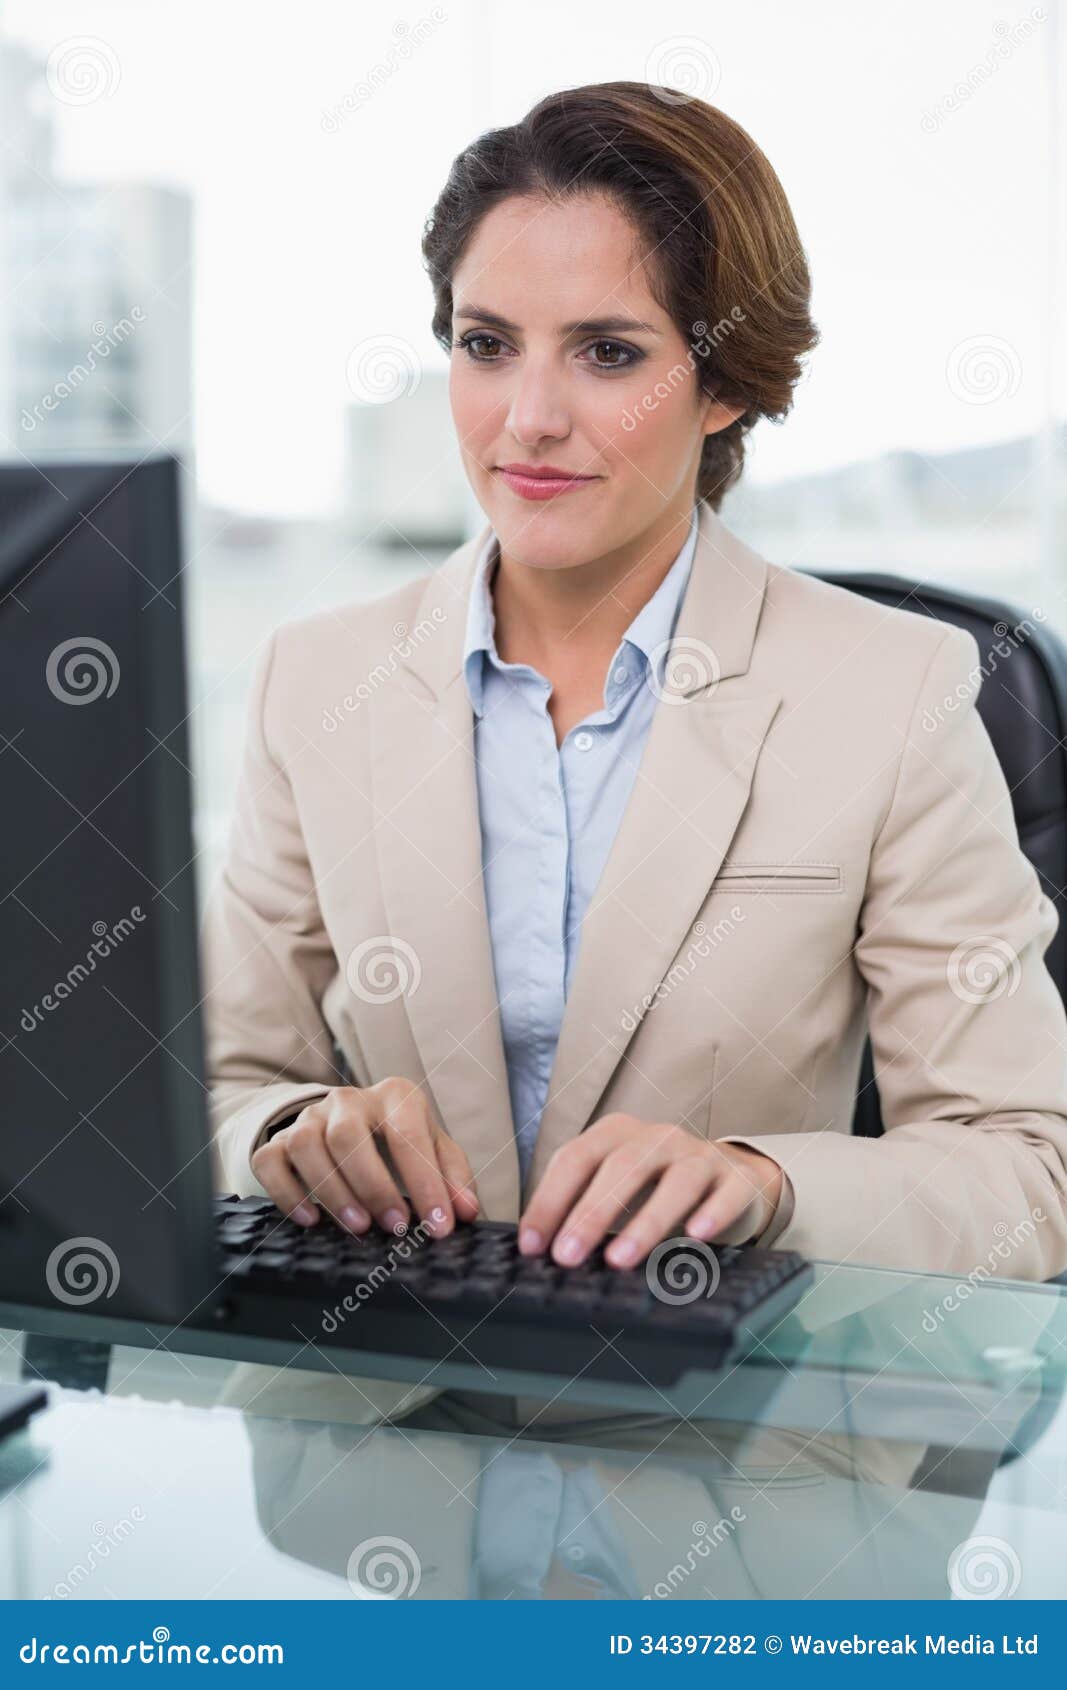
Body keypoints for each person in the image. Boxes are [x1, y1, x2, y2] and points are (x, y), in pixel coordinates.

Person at [202, 80, 1067, 1285]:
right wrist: (288, 1132)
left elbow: (1027, 1172)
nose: (529, 419)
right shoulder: (320, 679)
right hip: (375, 1419)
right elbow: (214, 1087)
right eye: (485, 345)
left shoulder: (894, 691)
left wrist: (767, 1187)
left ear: (726, 385)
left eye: (607, 354)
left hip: (722, 1432)